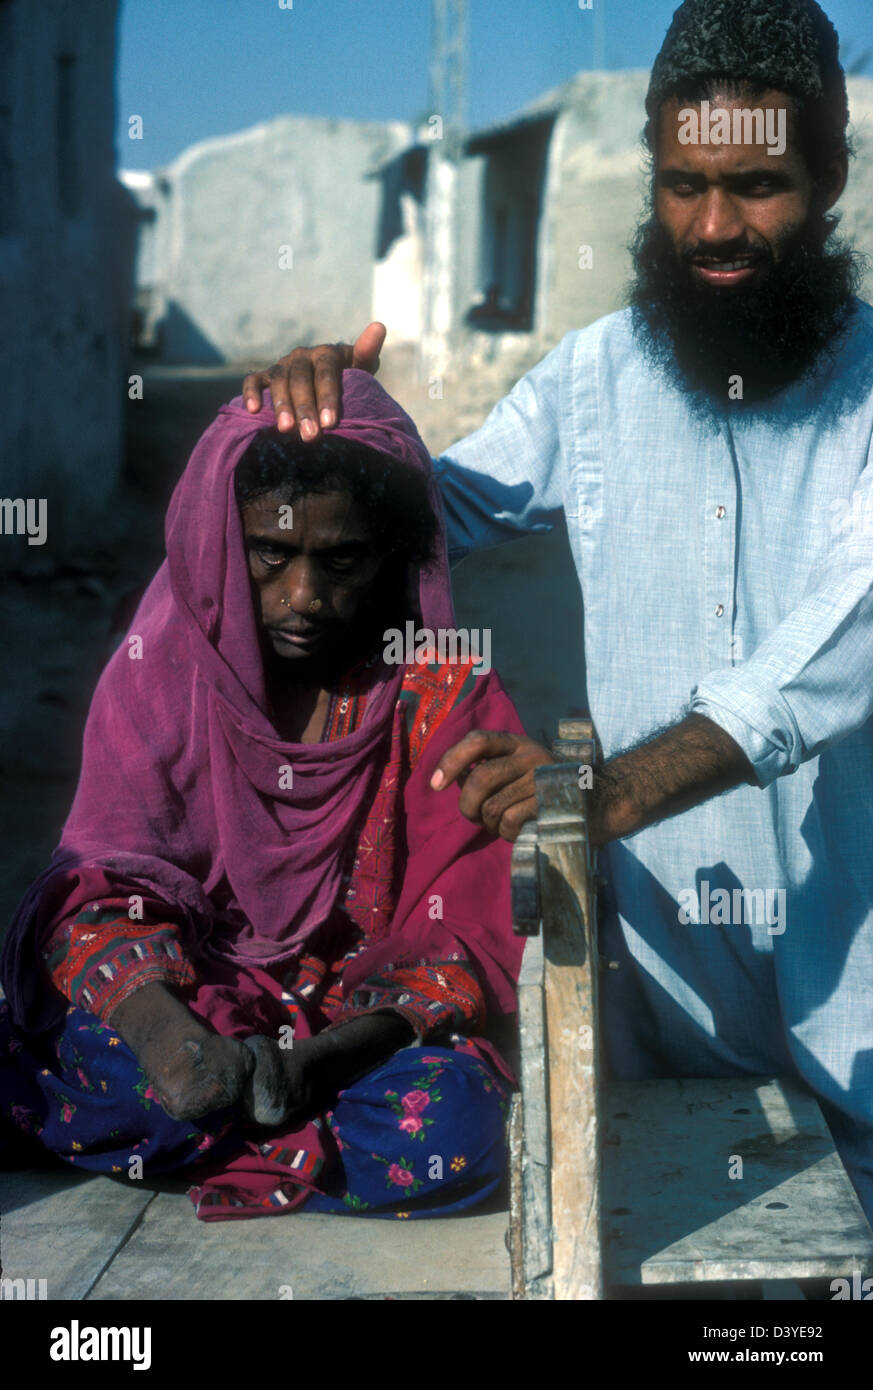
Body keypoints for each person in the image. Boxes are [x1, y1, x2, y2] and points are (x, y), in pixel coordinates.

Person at [239, 0, 873, 1222]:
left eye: (758, 186)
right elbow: (427, 519)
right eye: (684, 184)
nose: (714, 227)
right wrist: (321, 432)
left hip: (854, 1013)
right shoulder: (596, 378)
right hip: (653, 1019)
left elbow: (840, 640)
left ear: (834, 176)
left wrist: (612, 793)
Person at [0, 371, 526, 1221]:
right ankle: (251, 1128)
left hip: (360, 1040)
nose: (304, 598)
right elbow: (99, 884)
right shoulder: (160, 673)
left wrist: (309, 1066)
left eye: (342, 560)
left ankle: (223, 1132)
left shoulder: (443, 691)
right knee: (109, 1059)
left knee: (449, 1121)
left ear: (391, 554)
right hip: (193, 1002)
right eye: (270, 555)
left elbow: (465, 936)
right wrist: (172, 1043)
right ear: (218, 543)